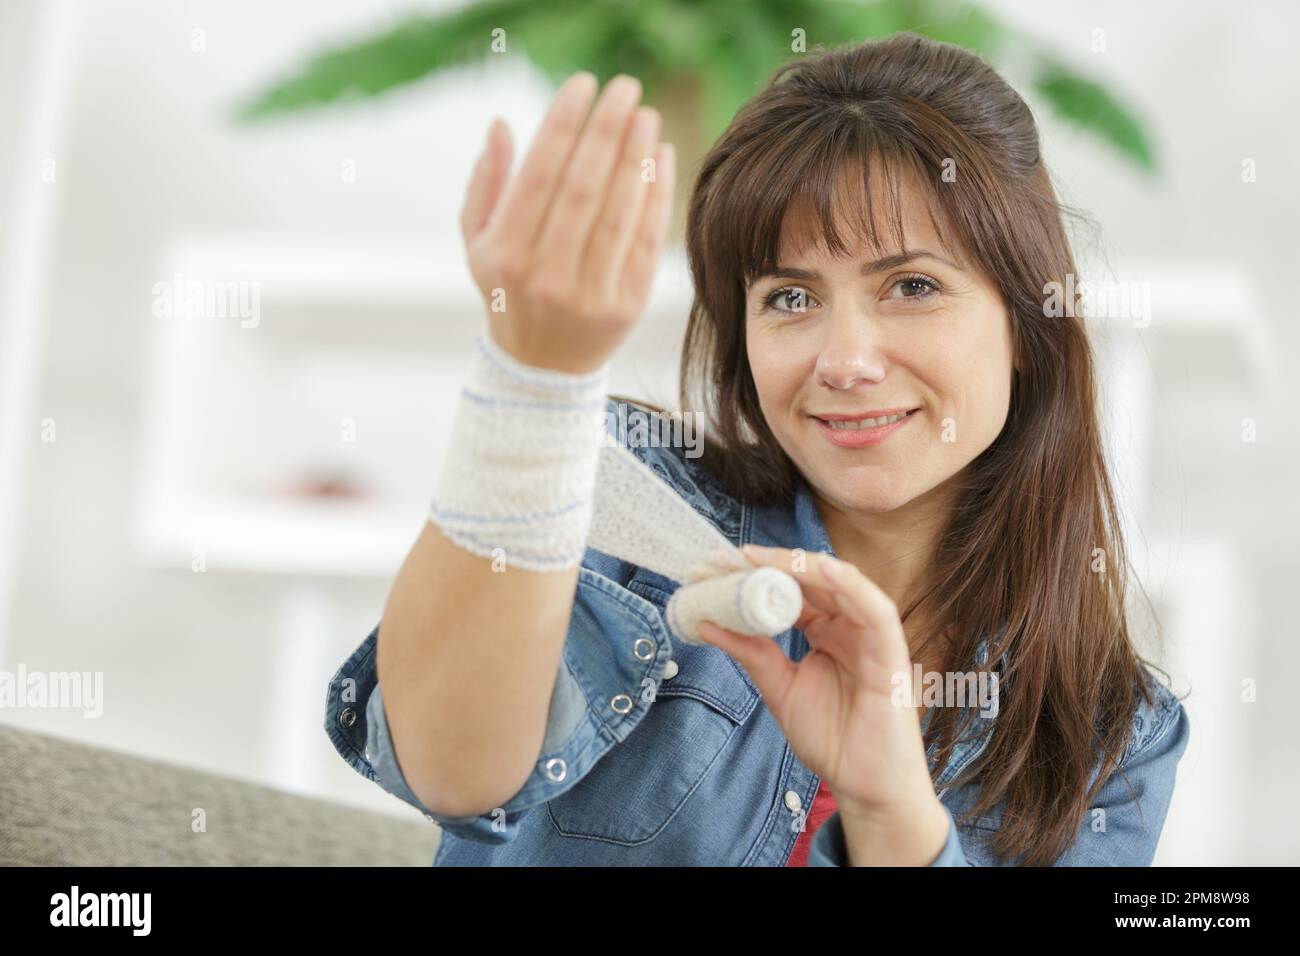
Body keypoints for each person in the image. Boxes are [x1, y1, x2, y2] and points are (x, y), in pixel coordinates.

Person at [325, 33, 1190, 866]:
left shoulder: (1114, 738)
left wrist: (889, 812)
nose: (845, 362)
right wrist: (530, 382)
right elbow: (448, 765)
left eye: (913, 286)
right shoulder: (625, 497)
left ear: (1025, 324)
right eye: (789, 298)